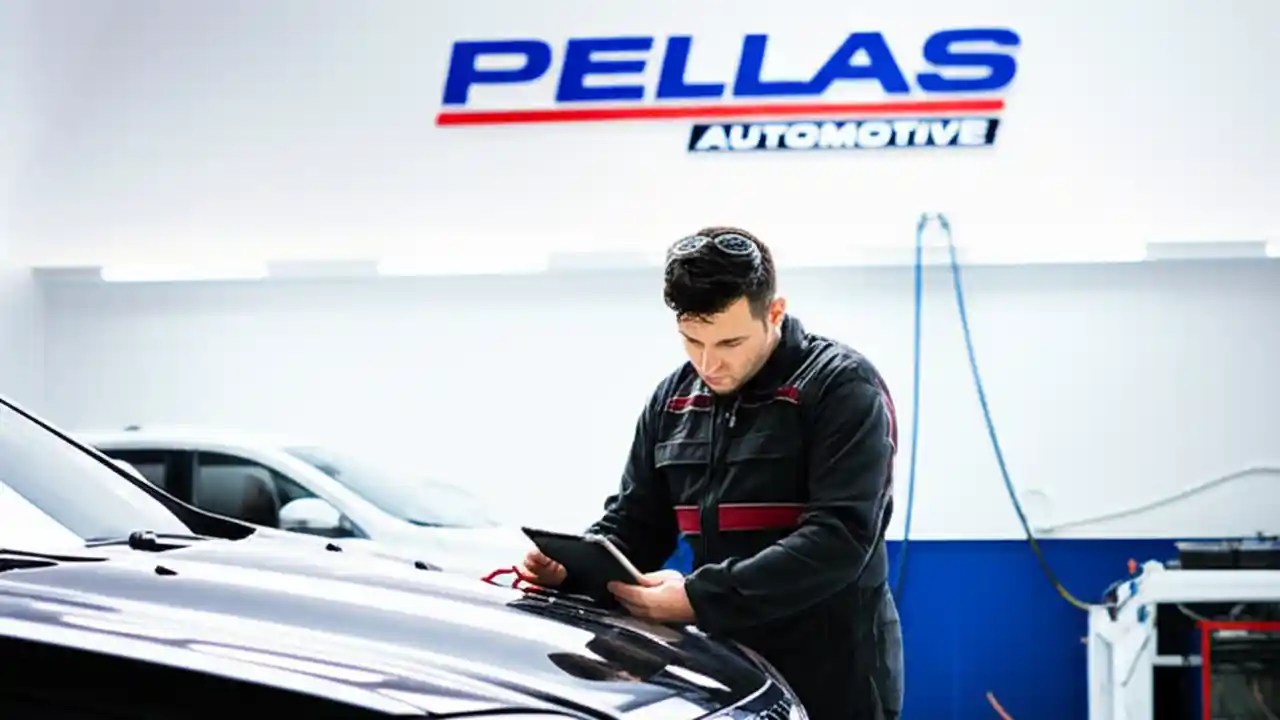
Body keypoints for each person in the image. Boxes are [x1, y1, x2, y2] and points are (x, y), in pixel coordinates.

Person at [521, 226, 903, 719]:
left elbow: (840, 539)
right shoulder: (673, 399)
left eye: (730, 342)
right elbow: (635, 524)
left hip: (834, 671)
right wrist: (572, 568)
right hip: (725, 666)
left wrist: (698, 598)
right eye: (692, 341)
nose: (709, 363)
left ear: (775, 312)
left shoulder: (842, 388)